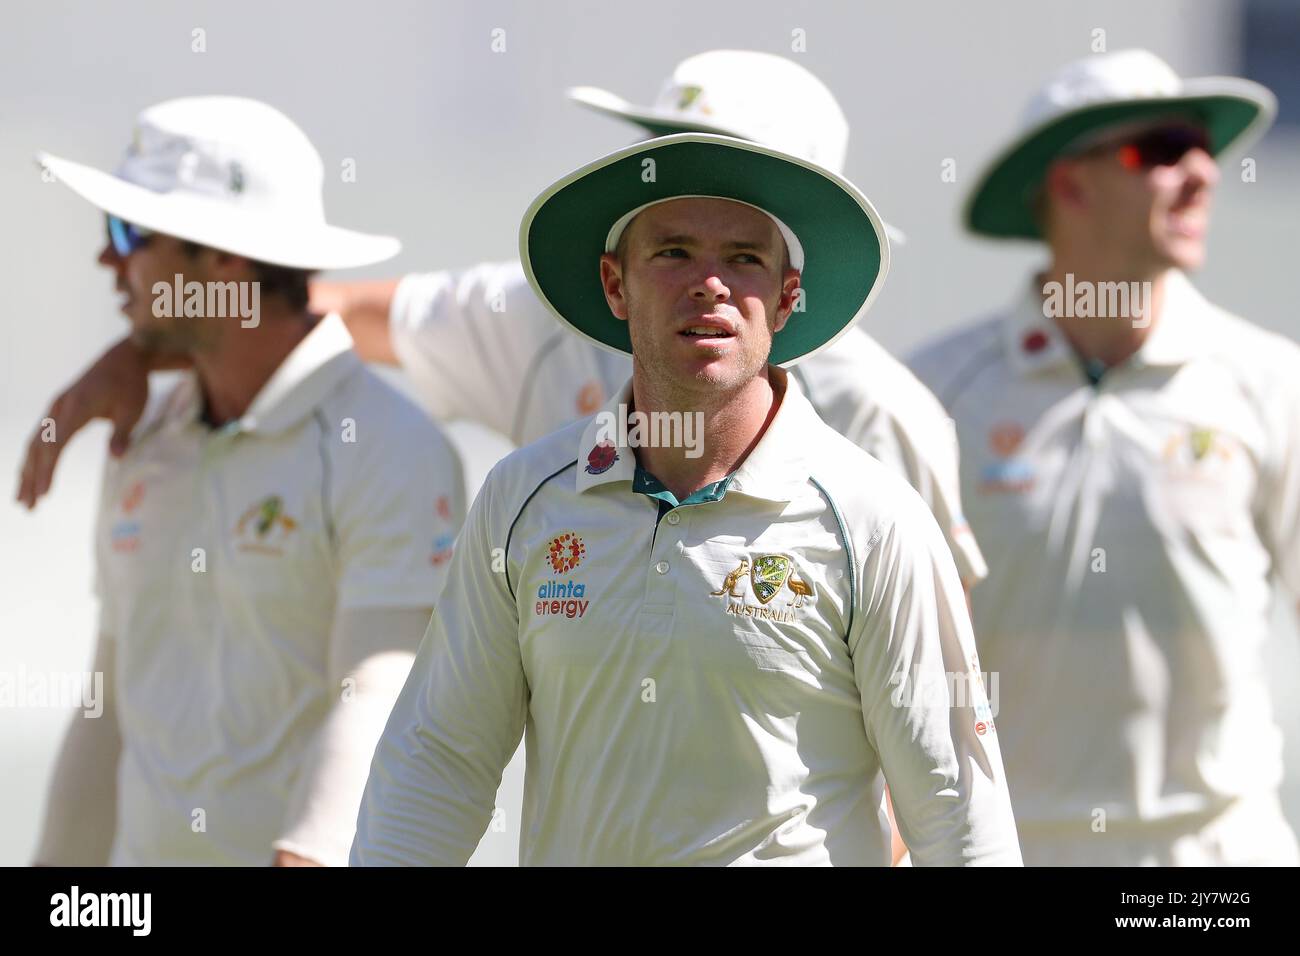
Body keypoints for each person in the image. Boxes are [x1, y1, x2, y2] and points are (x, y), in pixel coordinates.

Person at [17, 51, 986, 595]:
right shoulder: (537, 324)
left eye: (730, 196)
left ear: (793, 253)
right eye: (659, 162)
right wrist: (148, 339)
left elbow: (931, 718)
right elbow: (307, 305)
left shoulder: (880, 415)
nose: (682, 206)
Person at [351, 132, 1021, 866]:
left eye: (744, 259)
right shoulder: (522, 498)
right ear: (615, 284)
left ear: (788, 297)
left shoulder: (875, 519)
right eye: (673, 253)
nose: (710, 284)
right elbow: (441, 759)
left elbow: (957, 808)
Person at [29, 96, 465, 866]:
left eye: (128, 234)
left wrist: (308, 854)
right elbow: (108, 711)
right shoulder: (145, 436)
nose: (106, 260)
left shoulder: (391, 447)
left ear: (224, 258)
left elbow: (376, 691)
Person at [909, 49, 1299, 865]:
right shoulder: (931, 394)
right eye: (1156, 150)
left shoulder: (1271, 382)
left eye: (1203, 150)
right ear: (1069, 184)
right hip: (1001, 852)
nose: (1201, 174)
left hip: (1215, 863)